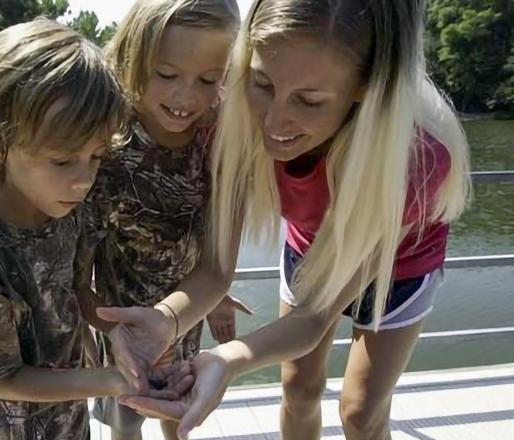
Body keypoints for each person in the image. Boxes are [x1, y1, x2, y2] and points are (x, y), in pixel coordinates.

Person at [117, 1, 472, 439]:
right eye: (262, 84)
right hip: (310, 244)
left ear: (365, 87)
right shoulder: (228, 109)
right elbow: (215, 270)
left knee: (361, 411)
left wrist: (230, 358)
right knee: (299, 386)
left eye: (309, 101)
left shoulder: (417, 164)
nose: (273, 122)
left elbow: (313, 317)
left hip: (401, 267)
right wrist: (168, 320)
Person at [0, 19, 189, 440]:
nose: (84, 181)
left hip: (72, 422)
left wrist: (113, 332)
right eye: (62, 160)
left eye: (95, 157)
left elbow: (76, 290)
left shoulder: (65, 209)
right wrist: (112, 381)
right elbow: (6, 380)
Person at [72, 1, 248, 439]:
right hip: (118, 333)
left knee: (178, 420)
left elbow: (216, 261)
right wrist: (114, 330)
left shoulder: (225, 143)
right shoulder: (100, 147)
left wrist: (212, 298)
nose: (186, 98)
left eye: (209, 80)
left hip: (183, 319)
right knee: (125, 423)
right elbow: (75, 281)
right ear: (132, 57)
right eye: (165, 74)